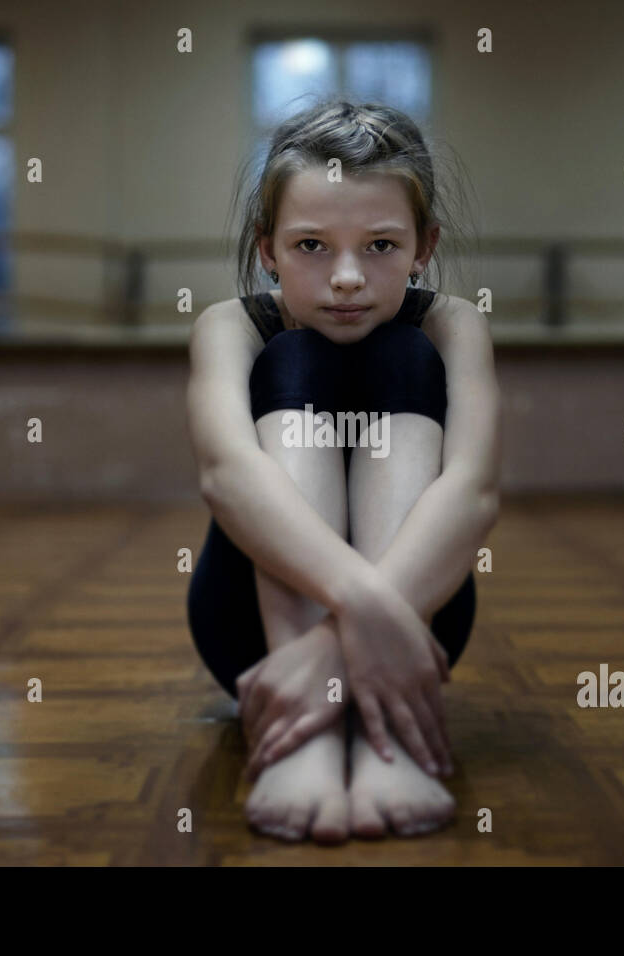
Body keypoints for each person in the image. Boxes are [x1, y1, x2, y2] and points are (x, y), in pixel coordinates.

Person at [185, 99, 500, 843]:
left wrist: (357, 626)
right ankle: (310, 738)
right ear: (267, 251)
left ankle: (383, 732)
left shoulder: (454, 323)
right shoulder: (229, 327)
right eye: (313, 246)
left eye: (382, 245)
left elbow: (474, 491)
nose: (349, 277)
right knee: (291, 357)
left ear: (426, 246)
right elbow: (228, 476)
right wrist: (360, 607)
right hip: (257, 641)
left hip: (416, 618)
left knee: (403, 355)